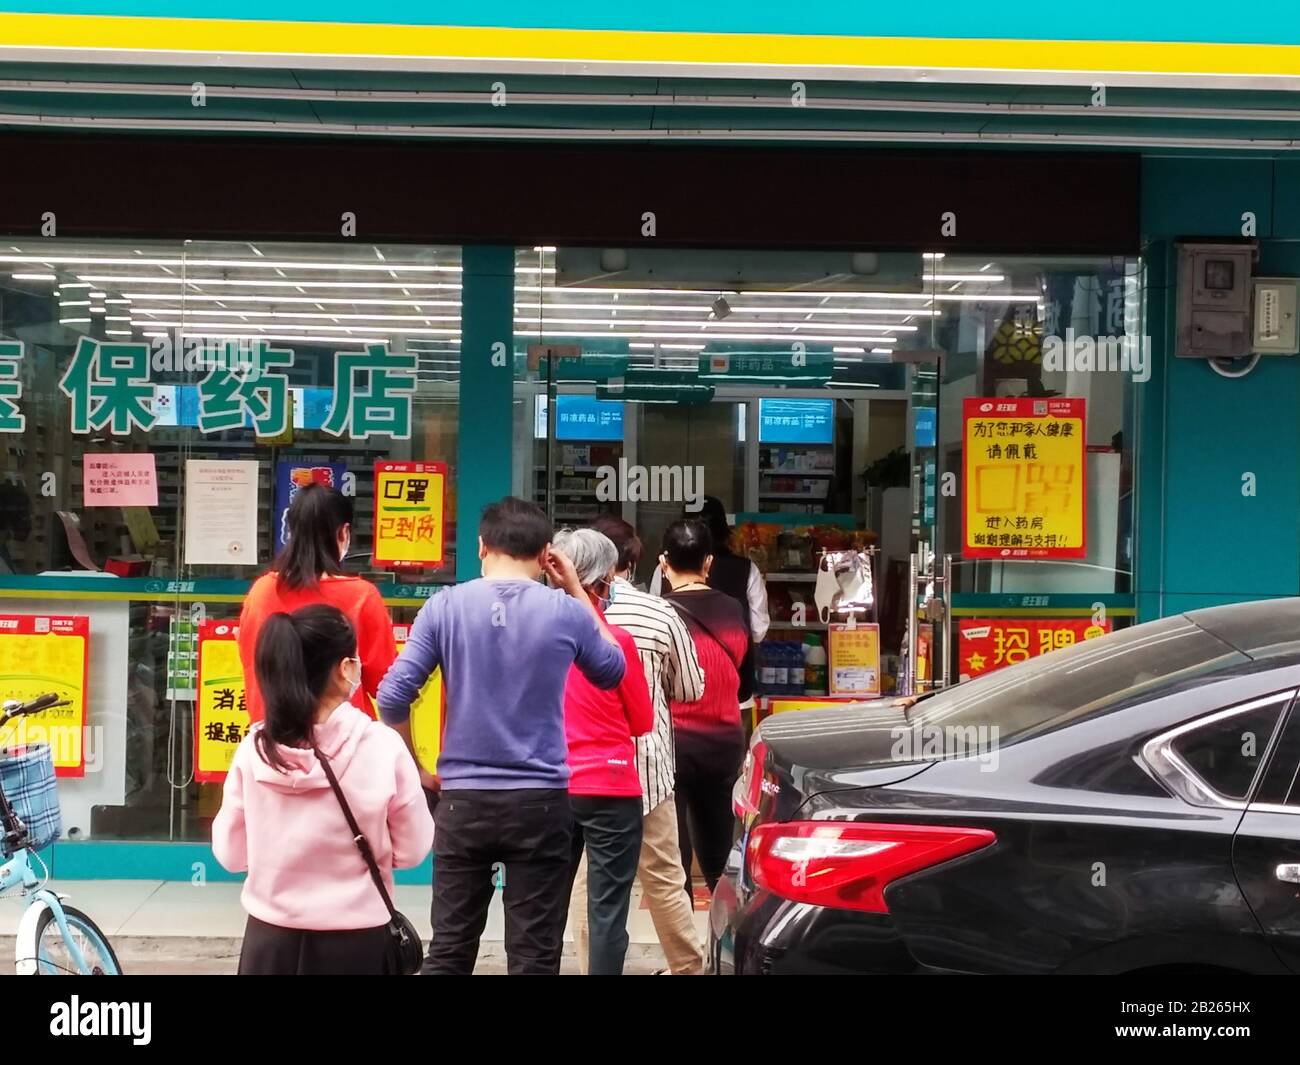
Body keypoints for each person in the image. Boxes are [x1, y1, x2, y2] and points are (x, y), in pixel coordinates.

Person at [377, 496, 626, 976]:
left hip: (462, 801)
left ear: (481, 547)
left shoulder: (444, 607)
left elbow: (392, 698)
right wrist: (575, 589)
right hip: (542, 802)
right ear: (546, 553)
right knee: (534, 956)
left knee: (449, 951)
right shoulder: (564, 611)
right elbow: (613, 670)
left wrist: (418, 769)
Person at [212, 604, 434, 975]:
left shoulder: (255, 749)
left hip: (269, 944)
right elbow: (412, 850)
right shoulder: (382, 746)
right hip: (358, 944)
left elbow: (231, 854)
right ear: (345, 669)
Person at [567, 514, 708, 975]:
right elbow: (690, 688)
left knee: (590, 886)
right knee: (666, 878)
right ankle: (689, 969)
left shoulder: (554, 616)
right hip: (644, 769)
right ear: (624, 563)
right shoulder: (658, 613)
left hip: (577, 774)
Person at [552, 527, 654, 975]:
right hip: (611, 784)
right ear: (597, 581)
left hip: (553, 783)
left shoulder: (538, 641)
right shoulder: (617, 642)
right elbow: (644, 722)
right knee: (608, 910)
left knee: (544, 908)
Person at [238, 484, 396, 727]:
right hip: (347, 747)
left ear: (290, 530)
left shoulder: (261, 593)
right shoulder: (362, 597)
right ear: (343, 532)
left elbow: (253, 670)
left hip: (274, 741)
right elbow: (385, 686)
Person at [659, 518, 748, 898]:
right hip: (724, 740)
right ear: (708, 562)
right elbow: (739, 661)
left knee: (672, 857)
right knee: (719, 855)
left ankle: (682, 952)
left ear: (664, 562)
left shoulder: (658, 613)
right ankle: (721, 944)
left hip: (673, 744)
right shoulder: (733, 608)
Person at [651, 496, 768, 719]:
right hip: (734, 695)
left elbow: (654, 627)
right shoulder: (746, 570)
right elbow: (759, 630)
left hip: (677, 697)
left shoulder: (663, 571)